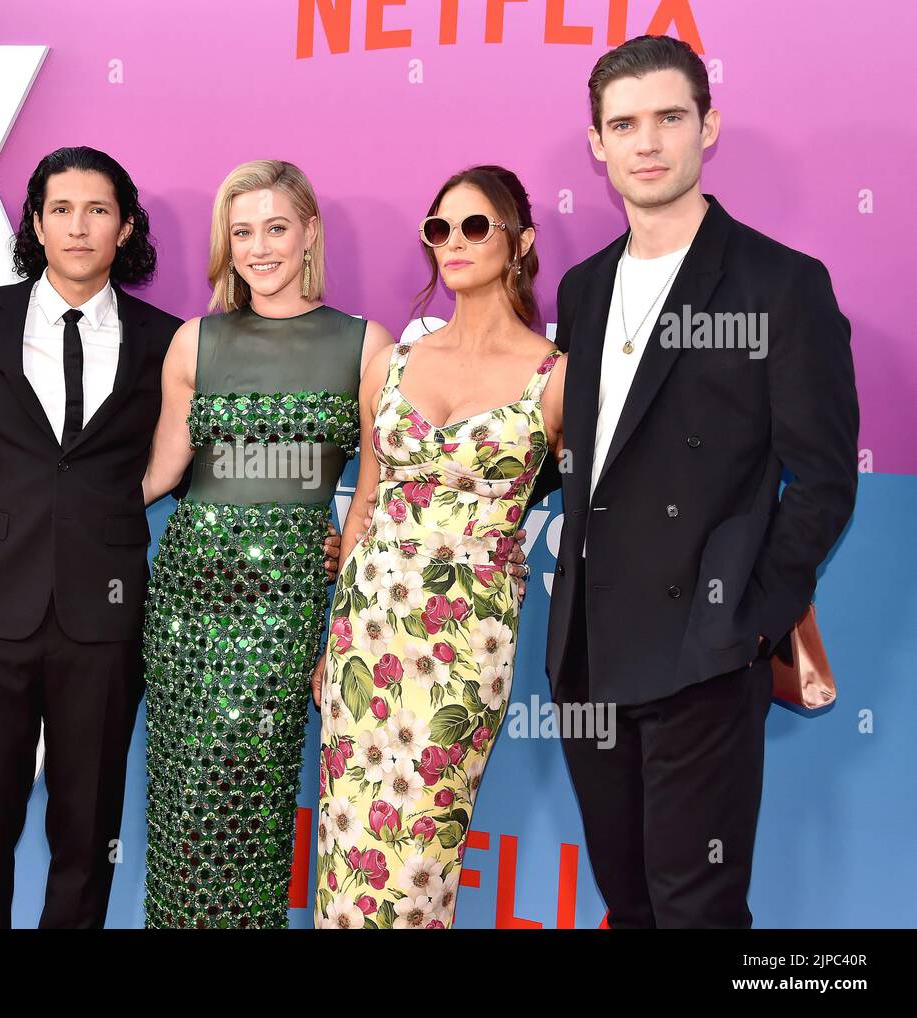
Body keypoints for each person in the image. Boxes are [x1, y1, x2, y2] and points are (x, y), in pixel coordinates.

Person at [0, 147, 342, 928]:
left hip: (108, 612)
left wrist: (316, 523)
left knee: (87, 829)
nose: (79, 226)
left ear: (125, 228)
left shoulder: (172, 339)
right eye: (61, 209)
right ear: (35, 222)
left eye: (98, 210)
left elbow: (220, 454)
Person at [546, 36, 858, 927]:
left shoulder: (780, 284)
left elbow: (827, 479)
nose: (647, 143)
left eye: (669, 118)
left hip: (704, 652)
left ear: (707, 127)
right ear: (598, 145)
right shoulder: (582, 288)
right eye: (624, 125)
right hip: (586, 655)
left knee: (700, 910)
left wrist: (749, 622)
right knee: (629, 903)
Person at [138, 160, 393, 928]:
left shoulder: (363, 344)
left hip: (287, 600)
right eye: (242, 231)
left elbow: (372, 495)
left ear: (309, 232)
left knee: (253, 793)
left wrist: (342, 613)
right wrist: (26, 480)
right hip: (187, 597)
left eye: (276, 227)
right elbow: (158, 472)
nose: (259, 247)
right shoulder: (195, 341)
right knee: (184, 805)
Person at [312, 166, 566, 929]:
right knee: (346, 845)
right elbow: (364, 503)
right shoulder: (391, 365)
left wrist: (508, 535)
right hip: (368, 632)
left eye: (476, 226)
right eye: (440, 229)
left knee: (421, 852)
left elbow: (599, 494)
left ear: (520, 241)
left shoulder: (555, 376)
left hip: (463, 642)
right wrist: (333, 637)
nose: (454, 243)